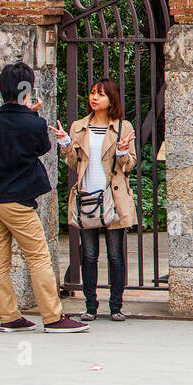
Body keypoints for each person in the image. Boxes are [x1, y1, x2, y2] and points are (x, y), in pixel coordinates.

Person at [0, 62, 89, 333]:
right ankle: (53, 318)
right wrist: (33, 115)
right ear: (28, 90)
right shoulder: (32, 123)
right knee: (39, 258)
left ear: (2, 89)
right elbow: (43, 147)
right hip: (17, 202)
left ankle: (8, 317)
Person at [51, 79, 137, 322]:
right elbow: (72, 163)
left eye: (100, 94)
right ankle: (90, 307)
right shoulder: (79, 126)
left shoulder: (123, 127)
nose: (94, 98)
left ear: (112, 99)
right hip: (87, 195)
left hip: (113, 197)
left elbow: (130, 165)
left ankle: (116, 306)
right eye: (91, 93)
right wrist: (65, 144)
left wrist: (121, 152)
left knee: (115, 255)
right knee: (88, 255)